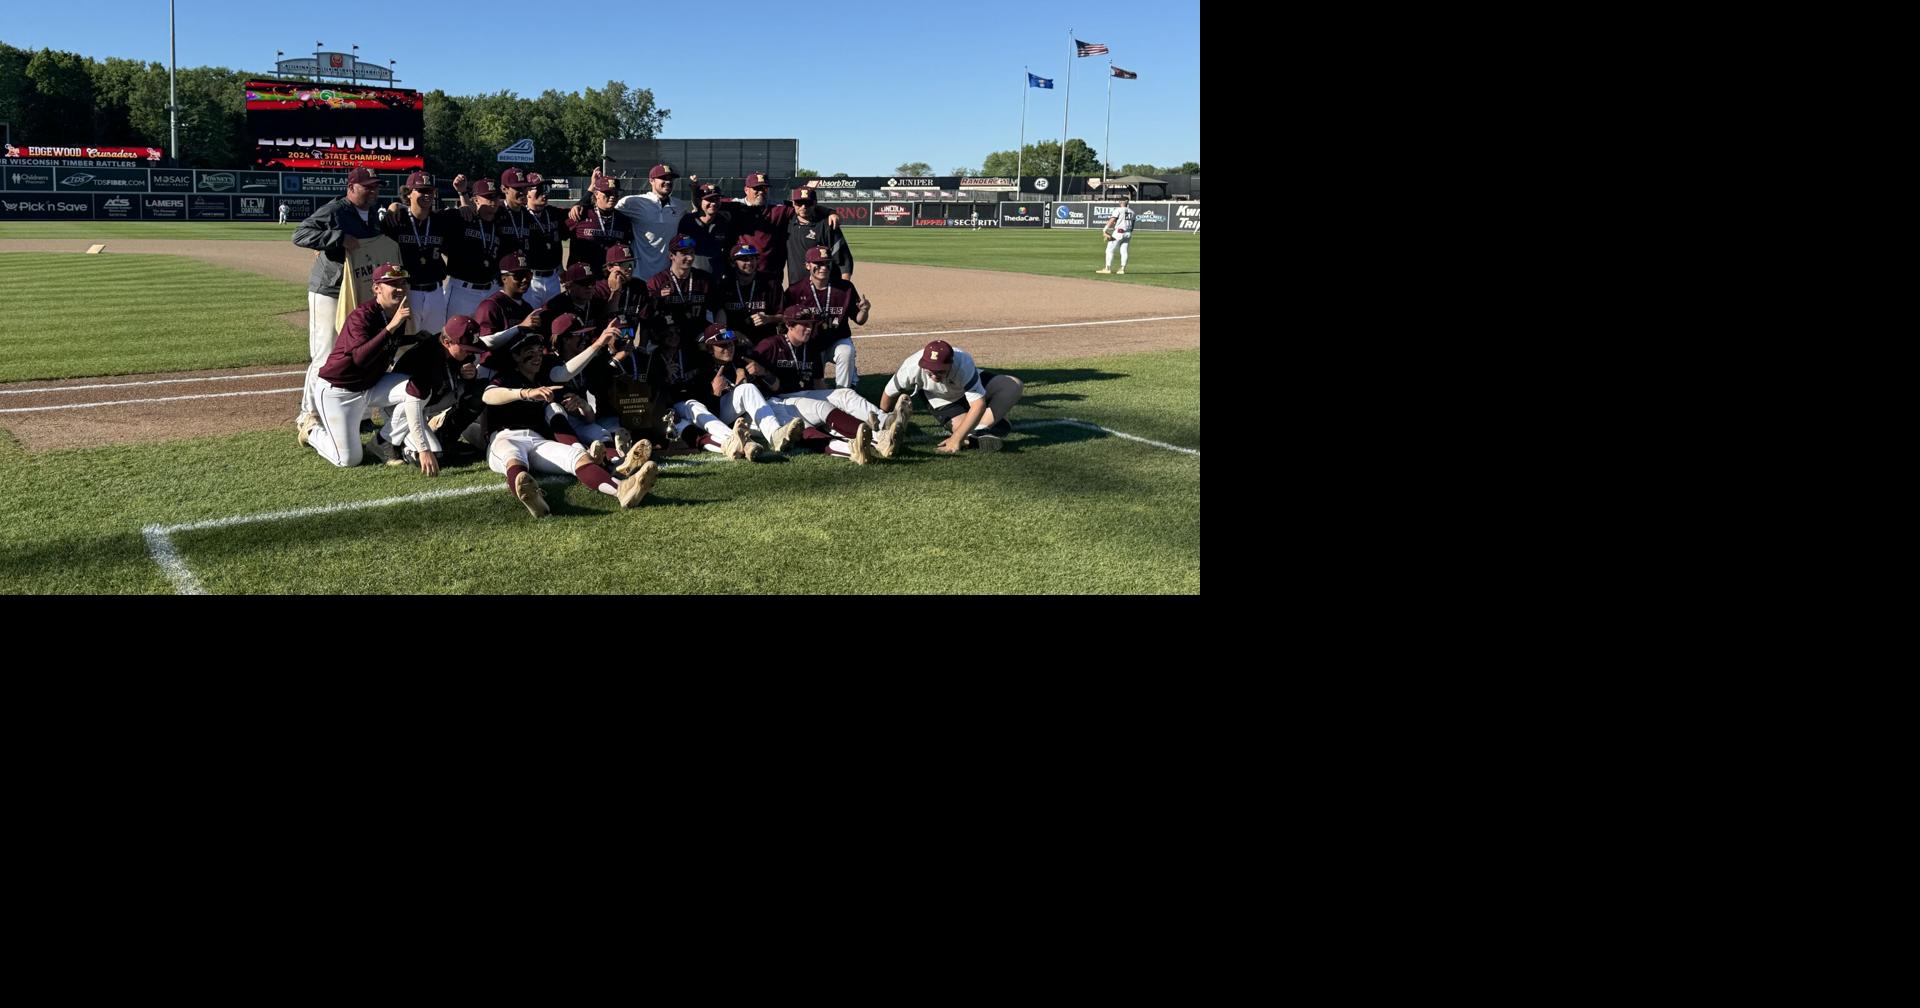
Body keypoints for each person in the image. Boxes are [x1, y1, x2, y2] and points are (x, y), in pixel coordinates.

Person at [482, 330, 660, 517]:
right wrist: (525, 393)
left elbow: (566, 378)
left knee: (578, 457)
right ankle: (534, 500)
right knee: (514, 461)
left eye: (538, 351)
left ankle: (621, 490)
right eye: (529, 352)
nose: (537, 357)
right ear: (516, 356)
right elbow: (489, 396)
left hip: (538, 439)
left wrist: (582, 405)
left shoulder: (544, 378)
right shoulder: (507, 377)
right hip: (505, 437)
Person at [292, 166, 387, 428]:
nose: (373, 190)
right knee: (324, 353)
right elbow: (300, 234)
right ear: (351, 187)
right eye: (367, 186)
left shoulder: (373, 216)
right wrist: (337, 237)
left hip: (360, 289)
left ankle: (360, 415)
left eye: (375, 186)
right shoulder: (336, 210)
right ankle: (308, 414)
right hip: (330, 290)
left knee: (360, 351)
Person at [754, 305, 906, 463]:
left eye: (811, 324)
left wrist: (837, 405)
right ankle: (870, 441)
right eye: (804, 325)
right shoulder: (770, 346)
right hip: (778, 400)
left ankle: (886, 424)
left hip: (802, 394)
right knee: (819, 412)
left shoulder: (810, 347)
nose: (809, 329)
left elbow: (818, 382)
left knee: (845, 394)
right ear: (789, 325)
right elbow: (752, 370)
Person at [297, 263, 414, 467]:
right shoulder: (362, 315)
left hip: (371, 385)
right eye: (392, 283)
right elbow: (360, 357)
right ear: (377, 288)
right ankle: (312, 430)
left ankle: (384, 442)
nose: (400, 288)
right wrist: (391, 327)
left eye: (402, 282)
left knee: (416, 389)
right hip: (340, 390)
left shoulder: (396, 313)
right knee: (349, 460)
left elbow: (388, 346)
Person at [368, 314, 489, 475]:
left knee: (479, 391)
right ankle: (384, 440)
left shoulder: (450, 348)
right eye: (466, 349)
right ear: (447, 342)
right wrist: (424, 449)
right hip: (400, 408)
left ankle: (446, 436)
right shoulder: (427, 358)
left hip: (427, 401)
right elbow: (413, 406)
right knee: (434, 456)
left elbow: (457, 372)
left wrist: (468, 373)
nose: (469, 353)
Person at [879, 339, 1024, 453]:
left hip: (969, 390)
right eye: (930, 371)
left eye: (940, 371)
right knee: (963, 429)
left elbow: (978, 404)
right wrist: (883, 422)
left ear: (951, 364)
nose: (934, 375)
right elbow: (888, 394)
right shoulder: (911, 368)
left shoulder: (963, 362)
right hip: (941, 399)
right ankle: (987, 426)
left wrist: (956, 439)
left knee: (1013, 385)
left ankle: (978, 430)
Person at [379, 170, 456, 335]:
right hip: (407, 290)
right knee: (406, 343)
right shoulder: (396, 219)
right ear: (408, 194)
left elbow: (471, 212)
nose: (427, 195)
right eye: (421, 190)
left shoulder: (439, 221)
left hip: (435, 291)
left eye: (430, 191)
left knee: (433, 340)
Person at [784, 246, 871, 389]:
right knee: (810, 388)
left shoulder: (845, 288)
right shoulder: (795, 290)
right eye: (818, 264)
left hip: (836, 340)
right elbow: (786, 321)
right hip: (809, 344)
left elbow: (859, 320)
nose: (823, 267)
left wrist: (865, 310)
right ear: (807, 265)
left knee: (846, 351)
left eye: (827, 263)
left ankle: (844, 391)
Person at [590, 163, 681, 285]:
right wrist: (582, 202)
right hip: (638, 274)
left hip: (666, 276)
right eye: (663, 178)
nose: (668, 182)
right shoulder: (633, 202)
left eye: (670, 179)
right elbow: (602, 208)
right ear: (651, 180)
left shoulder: (680, 207)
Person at [496, 167, 567, 308]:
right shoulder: (515, 214)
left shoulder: (552, 213)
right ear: (528, 193)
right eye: (539, 190)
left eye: (546, 189)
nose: (544, 194)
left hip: (552, 277)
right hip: (529, 277)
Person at [443, 176, 506, 320]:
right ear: (476, 199)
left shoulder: (500, 221)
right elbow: (428, 215)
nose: (494, 201)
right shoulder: (463, 218)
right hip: (462, 291)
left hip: (491, 289)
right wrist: (396, 206)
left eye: (496, 197)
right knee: (455, 335)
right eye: (488, 197)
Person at [644, 234, 719, 349]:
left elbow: (719, 308)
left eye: (692, 253)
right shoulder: (657, 282)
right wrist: (656, 297)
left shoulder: (704, 279)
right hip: (669, 339)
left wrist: (717, 332)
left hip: (698, 338)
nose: (689, 258)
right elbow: (645, 316)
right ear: (671, 255)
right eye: (684, 253)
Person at [717, 240, 784, 350]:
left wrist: (768, 318)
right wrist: (732, 334)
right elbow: (719, 323)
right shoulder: (724, 285)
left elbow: (784, 316)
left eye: (752, 258)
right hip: (735, 344)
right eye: (744, 259)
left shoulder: (771, 283)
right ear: (732, 262)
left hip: (766, 345)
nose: (749, 263)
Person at [780, 187, 853, 288]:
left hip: (825, 288)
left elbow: (844, 260)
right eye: (799, 203)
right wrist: (831, 211)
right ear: (793, 203)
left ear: (815, 203)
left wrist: (846, 289)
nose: (803, 206)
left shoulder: (827, 225)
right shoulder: (786, 221)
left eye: (808, 203)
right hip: (796, 288)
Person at [566, 175, 633, 274]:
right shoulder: (580, 214)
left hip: (610, 278)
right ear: (596, 194)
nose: (613, 197)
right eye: (608, 193)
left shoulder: (623, 220)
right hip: (584, 278)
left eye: (616, 193)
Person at [677, 183, 735, 277]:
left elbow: (728, 248)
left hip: (716, 276)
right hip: (692, 275)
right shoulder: (688, 221)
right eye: (709, 199)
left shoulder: (723, 222)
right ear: (700, 201)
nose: (714, 203)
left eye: (717, 199)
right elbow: (682, 249)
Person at [1097, 194, 1136, 275]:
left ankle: (1107, 268)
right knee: (1124, 251)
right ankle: (1122, 269)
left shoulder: (1118, 210)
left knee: (1109, 250)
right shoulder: (1132, 212)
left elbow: (1112, 220)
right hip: (1128, 233)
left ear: (1121, 202)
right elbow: (1132, 225)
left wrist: (1104, 230)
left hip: (1119, 232)